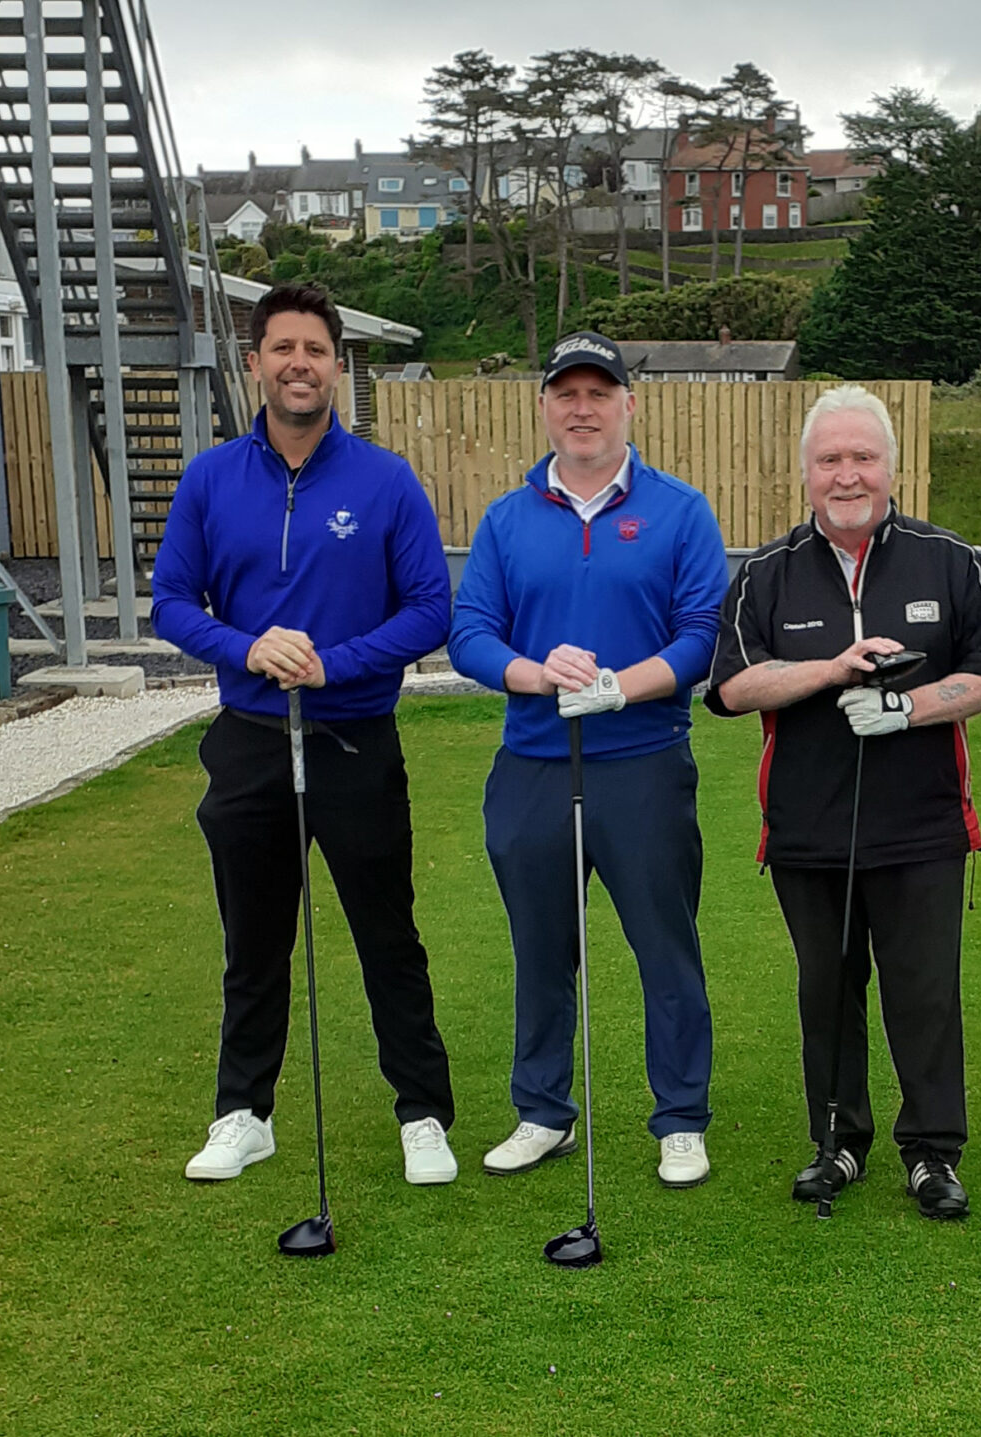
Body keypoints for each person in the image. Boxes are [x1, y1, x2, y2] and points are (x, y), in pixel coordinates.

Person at [152, 284, 460, 1189]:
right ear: (254, 363)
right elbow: (174, 600)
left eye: (316, 349)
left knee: (386, 935)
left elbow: (431, 609)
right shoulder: (212, 478)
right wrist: (247, 644)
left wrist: (340, 662)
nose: (299, 363)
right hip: (249, 740)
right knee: (253, 940)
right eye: (282, 347)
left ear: (337, 366)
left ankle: (423, 1113)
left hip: (355, 739)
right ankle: (244, 1112)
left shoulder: (384, 480)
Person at [707, 386, 981, 1220]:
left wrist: (907, 706)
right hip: (808, 829)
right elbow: (736, 685)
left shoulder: (949, 560)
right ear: (806, 471)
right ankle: (838, 1140)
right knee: (827, 988)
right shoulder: (767, 576)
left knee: (924, 992)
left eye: (863, 457)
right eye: (830, 460)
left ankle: (932, 1151)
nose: (847, 475)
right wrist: (835, 669)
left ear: (892, 466)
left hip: (924, 825)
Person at [448, 331, 727, 1189]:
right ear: (544, 408)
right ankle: (542, 1111)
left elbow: (701, 637)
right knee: (541, 951)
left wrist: (621, 686)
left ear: (628, 405)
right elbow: (469, 637)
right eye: (565, 394)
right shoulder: (506, 518)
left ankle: (680, 1118)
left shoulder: (680, 511)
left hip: (643, 762)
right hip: (532, 763)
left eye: (598, 393)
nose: (582, 408)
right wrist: (538, 675)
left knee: (664, 948)